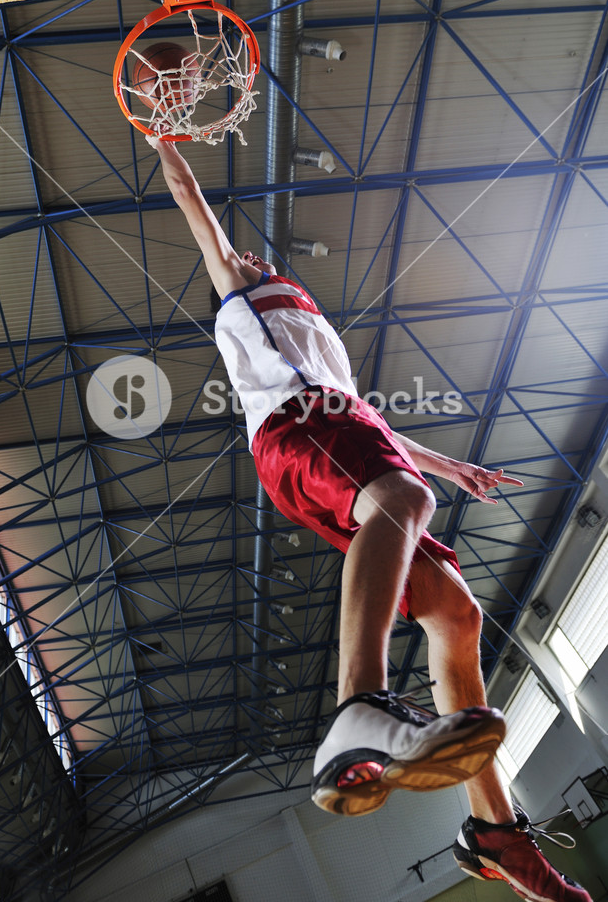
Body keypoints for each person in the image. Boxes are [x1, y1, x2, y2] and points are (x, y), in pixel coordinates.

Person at [148, 136, 593, 902]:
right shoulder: (236, 296)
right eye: (243, 256)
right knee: (405, 502)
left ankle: (494, 832)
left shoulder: (308, 323)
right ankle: (359, 703)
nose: (249, 255)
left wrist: (449, 466)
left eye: (256, 257)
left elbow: (368, 419)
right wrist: (163, 136)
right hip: (299, 429)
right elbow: (194, 204)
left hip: (341, 430)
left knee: (456, 617)